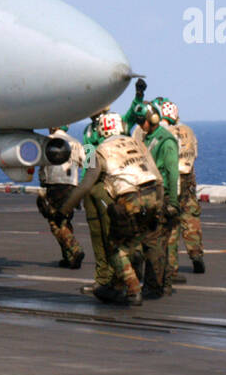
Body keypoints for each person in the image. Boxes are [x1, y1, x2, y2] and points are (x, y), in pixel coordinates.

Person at [61, 112, 162, 307]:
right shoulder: (134, 141)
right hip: (147, 192)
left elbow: (88, 176)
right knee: (133, 241)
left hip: (111, 193)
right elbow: (156, 175)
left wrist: (66, 207)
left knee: (109, 243)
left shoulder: (93, 140)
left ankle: (121, 285)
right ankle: (115, 284)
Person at [129, 99, 179, 298]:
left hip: (159, 196)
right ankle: (160, 284)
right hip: (147, 194)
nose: (141, 126)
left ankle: (155, 285)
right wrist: (138, 97)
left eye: (143, 122)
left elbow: (172, 172)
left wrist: (173, 201)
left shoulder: (165, 140)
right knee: (156, 243)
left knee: (154, 243)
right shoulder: (145, 138)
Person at [159, 98, 205, 277]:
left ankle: (171, 266)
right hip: (187, 177)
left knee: (170, 222)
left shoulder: (90, 135)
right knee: (190, 216)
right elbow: (195, 154)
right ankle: (196, 253)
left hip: (171, 179)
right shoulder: (189, 131)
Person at [78, 118, 117, 299]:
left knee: (111, 236)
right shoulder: (88, 131)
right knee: (97, 235)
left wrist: (138, 98)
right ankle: (102, 279)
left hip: (107, 187)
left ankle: (116, 279)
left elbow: (131, 116)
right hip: (91, 186)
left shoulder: (114, 122)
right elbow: (88, 161)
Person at [36, 125, 85, 268]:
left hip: (55, 186)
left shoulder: (48, 141)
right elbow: (87, 162)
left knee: (55, 222)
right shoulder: (76, 142)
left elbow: (39, 162)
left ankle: (75, 249)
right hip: (73, 186)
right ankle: (68, 257)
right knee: (65, 221)